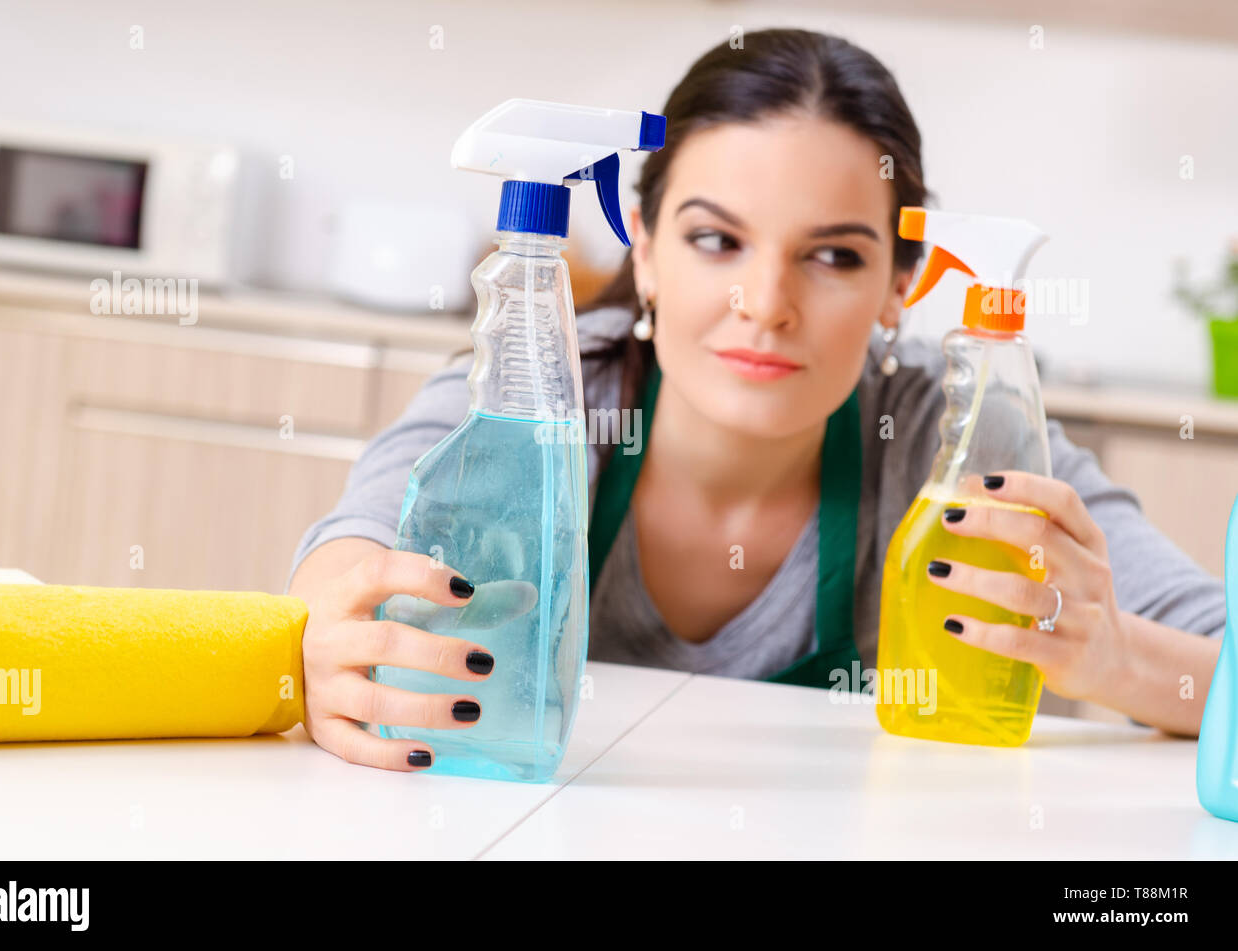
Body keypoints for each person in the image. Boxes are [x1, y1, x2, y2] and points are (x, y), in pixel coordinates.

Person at [287, 27, 1226, 771]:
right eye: (715, 240)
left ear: (904, 282)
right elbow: (345, 558)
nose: (766, 306)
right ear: (644, 247)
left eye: (833, 256)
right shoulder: (533, 392)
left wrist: (1114, 657)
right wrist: (327, 630)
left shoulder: (952, 439)